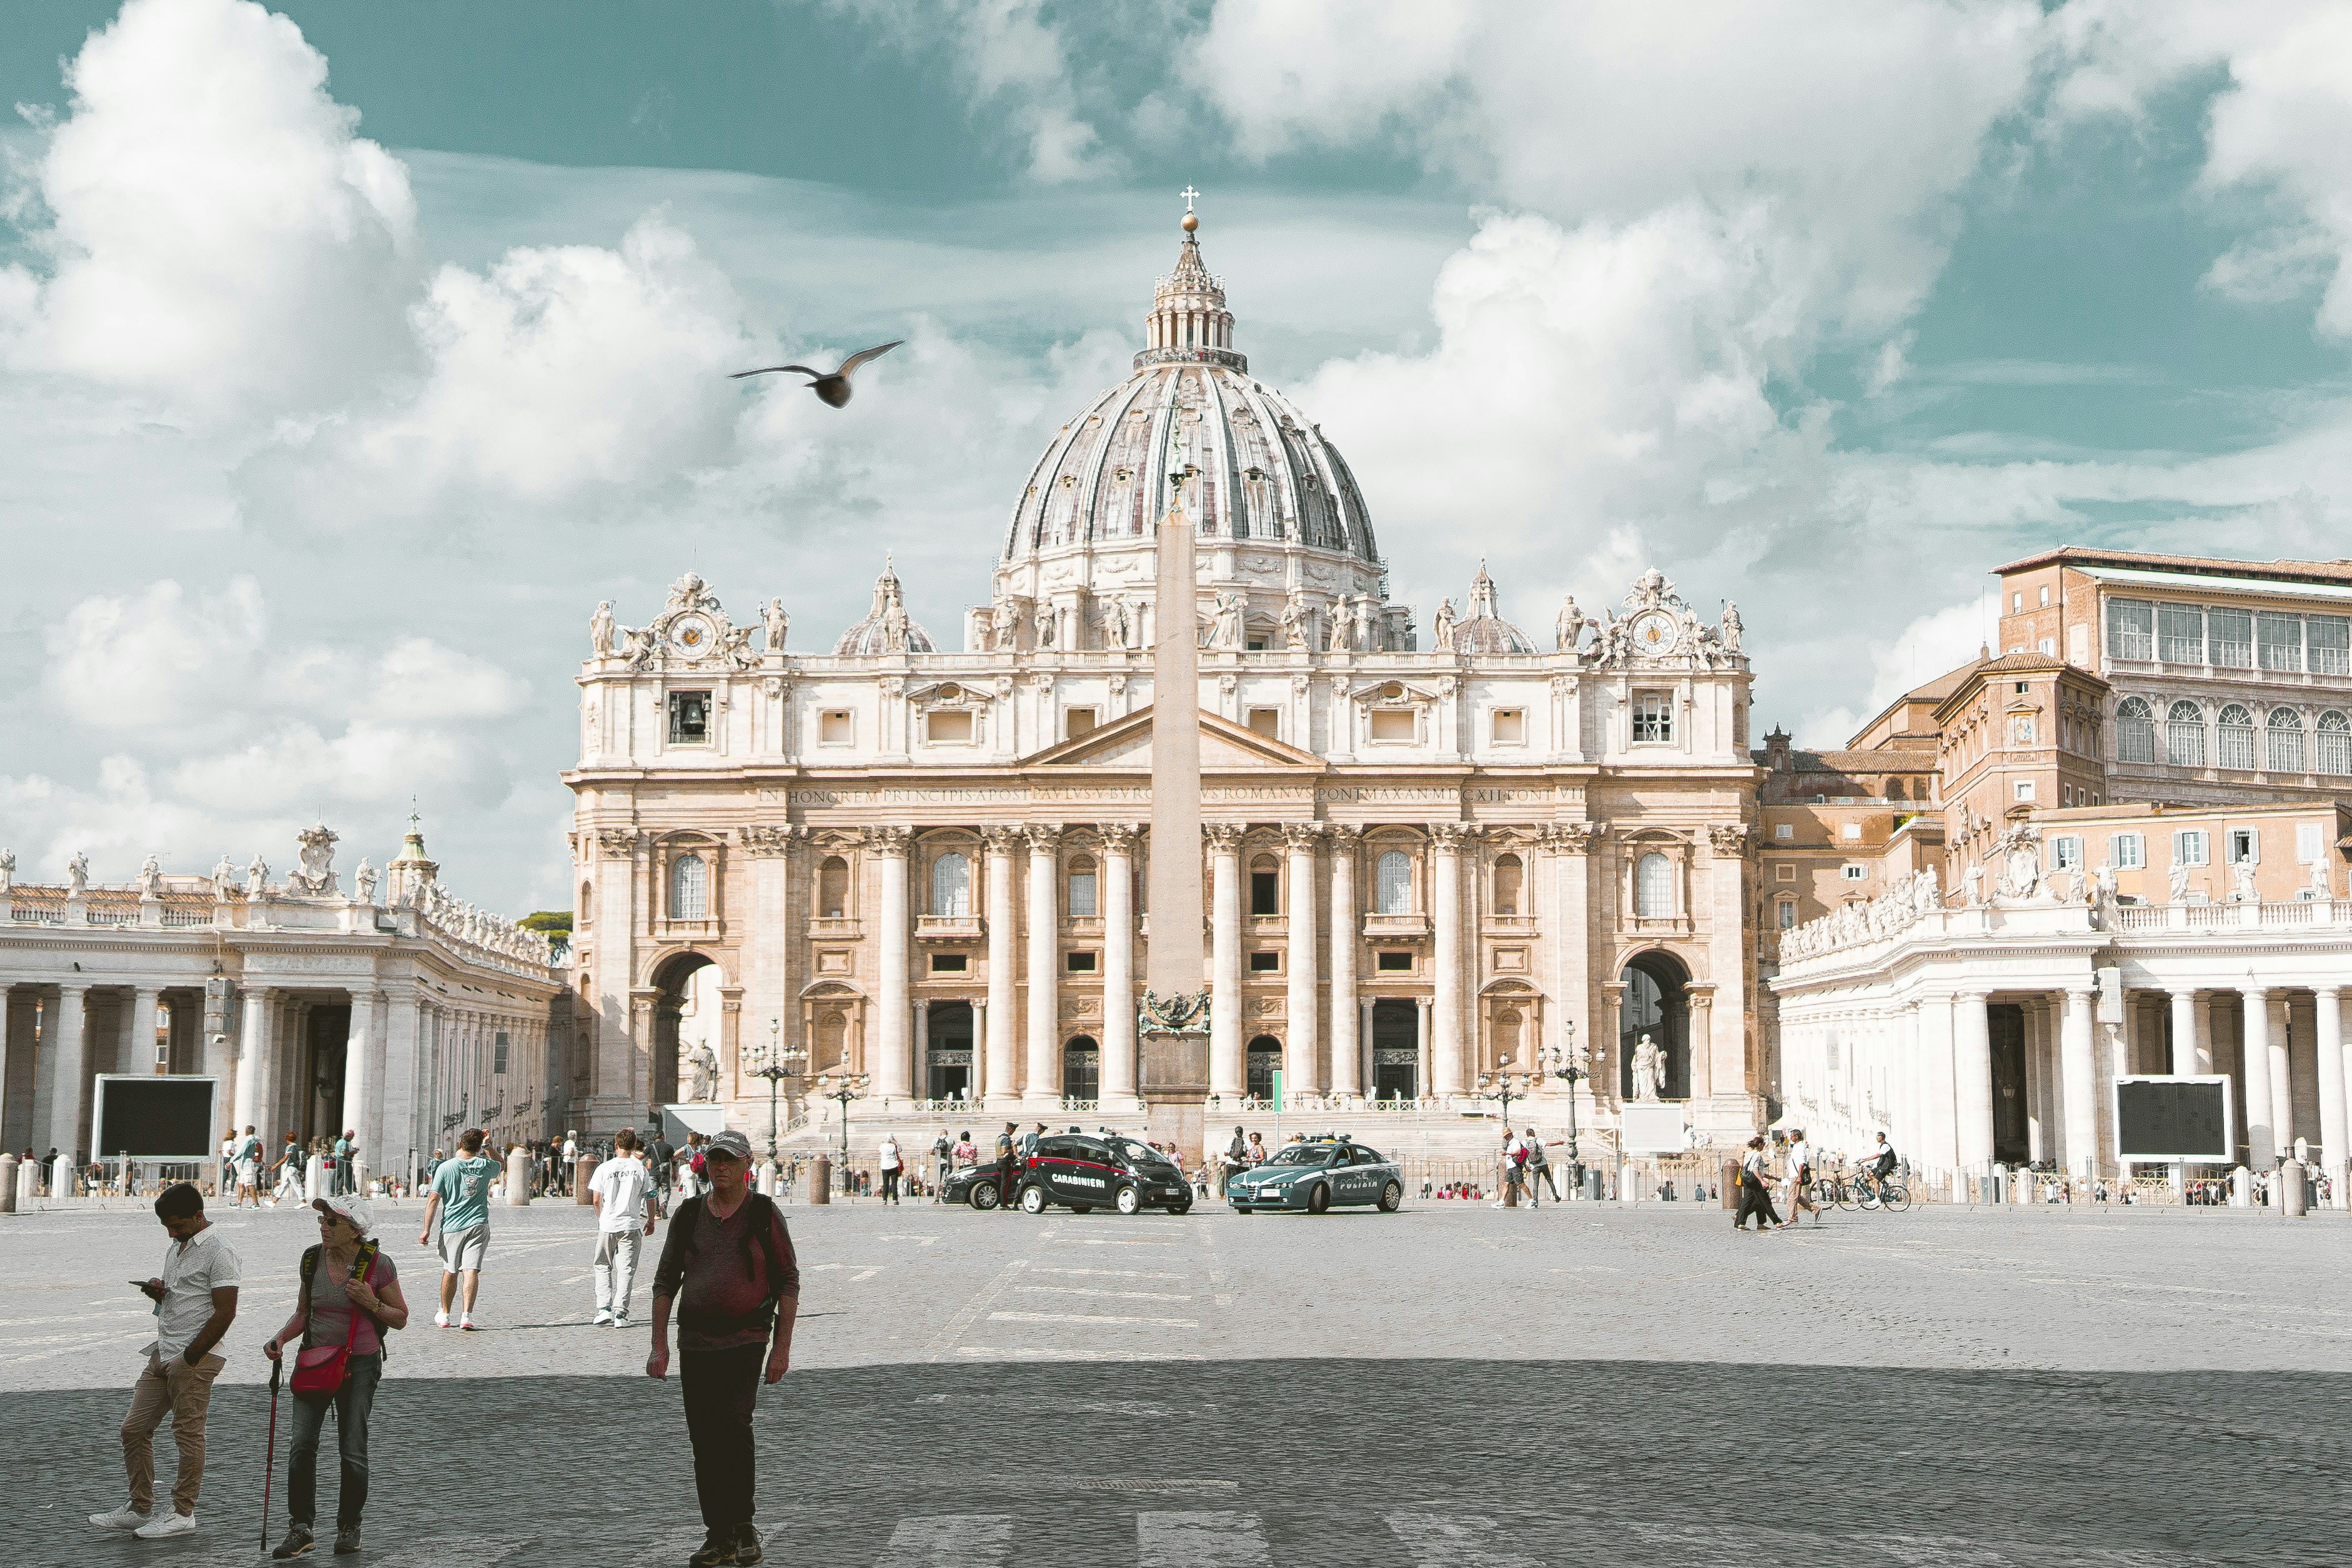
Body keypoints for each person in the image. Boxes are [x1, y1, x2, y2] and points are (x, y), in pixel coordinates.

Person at [647, 1131, 800, 1568]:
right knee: (704, 1439)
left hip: (746, 1338)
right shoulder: (689, 1214)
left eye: (729, 1160)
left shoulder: (764, 1214)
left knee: (733, 1428)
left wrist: (781, 1349)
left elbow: (787, 1280)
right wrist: (659, 1346)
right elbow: (665, 1281)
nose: (720, 1167)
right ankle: (718, 1534)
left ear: (747, 1164)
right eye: (714, 1160)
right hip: (695, 1340)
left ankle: (741, 1525)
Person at [89, 1182, 241, 1541]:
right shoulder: (177, 1247)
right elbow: (182, 1299)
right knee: (134, 1428)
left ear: (199, 1215)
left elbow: (225, 1312)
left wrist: (190, 1357)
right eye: (167, 1227)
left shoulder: (221, 1251)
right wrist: (159, 1293)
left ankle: (183, 1511)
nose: (172, 1232)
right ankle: (140, 1507)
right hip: (162, 1350)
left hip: (195, 1357)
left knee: (188, 1434)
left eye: (177, 1225)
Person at [263, 1194, 408, 1558]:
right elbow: (302, 1312)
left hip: (359, 1364)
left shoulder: (378, 1265)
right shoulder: (311, 1259)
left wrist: (371, 1302)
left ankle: (349, 1525)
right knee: (300, 1447)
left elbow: (401, 1317)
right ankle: (301, 1528)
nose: (323, 1227)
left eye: (332, 1222)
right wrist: (280, 1338)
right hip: (315, 1362)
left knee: (352, 1448)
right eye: (322, 1220)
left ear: (355, 1230)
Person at [417, 1128, 498, 1329]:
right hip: (479, 1223)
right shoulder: (485, 1164)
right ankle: (466, 1316)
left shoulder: (445, 1167)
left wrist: (426, 1229)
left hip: (452, 1226)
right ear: (479, 1147)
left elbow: (434, 1198)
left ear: (460, 1144)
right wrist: (488, 1146)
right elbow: (501, 1165)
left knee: (451, 1270)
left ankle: (445, 1314)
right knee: (471, 1270)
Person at [586, 1127, 658, 1327]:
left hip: (608, 1224)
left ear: (616, 1146)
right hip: (631, 1224)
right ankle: (620, 1314)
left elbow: (595, 1199)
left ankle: (604, 1309)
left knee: (602, 1266)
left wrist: (602, 1219)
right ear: (634, 1146)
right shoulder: (639, 1168)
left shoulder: (604, 1168)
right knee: (626, 1270)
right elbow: (651, 1196)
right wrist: (651, 1220)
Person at [1734, 1136, 1782, 1233]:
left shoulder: (1748, 1154)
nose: (1763, 1146)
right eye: (1763, 1145)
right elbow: (1755, 1170)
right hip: (1755, 1180)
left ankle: (1745, 1223)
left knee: (1751, 1202)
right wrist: (1762, 1181)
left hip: (1747, 1180)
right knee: (1765, 1201)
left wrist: (1773, 1178)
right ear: (1760, 1145)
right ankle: (1777, 1222)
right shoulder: (1758, 1155)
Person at [1784, 1128, 1820, 1226]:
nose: (1790, 1137)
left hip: (1796, 1176)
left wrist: (1799, 1176)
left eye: (1792, 1136)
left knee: (1792, 1197)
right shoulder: (1795, 1146)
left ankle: (1793, 1217)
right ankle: (1815, 1209)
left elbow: (1802, 1163)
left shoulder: (1800, 1147)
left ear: (1797, 1137)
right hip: (1793, 1175)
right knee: (1796, 1197)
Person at [1523, 1125, 1561, 1204]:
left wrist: (1525, 1165)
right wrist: (1559, 1143)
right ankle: (1556, 1196)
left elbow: (1522, 1154)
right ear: (1533, 1133)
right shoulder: (1538, 1140)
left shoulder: (1524, 1142)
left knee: (1536, 1183)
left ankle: (1535, 1200)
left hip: (1534, 1166)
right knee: (1549, 1180)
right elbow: (1549, 1145)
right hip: (1543, 1163)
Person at [271, 1133, 305, 1206]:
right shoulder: (297, 1147)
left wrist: (276, 1165)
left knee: (297, 1185)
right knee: (285, 1185)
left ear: (287, 1139)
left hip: (290, 1168)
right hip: (295, 1168)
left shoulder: (290, 1147)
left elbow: (285, 1158)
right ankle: (274, 1201)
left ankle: (303, 1201)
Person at [995, 1123, 1018, 1212]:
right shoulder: (1006, 1139)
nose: (1013, 1132)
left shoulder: (999, 1138)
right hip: (1005, 1163)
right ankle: (1003, 1204)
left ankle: (1003, 1203)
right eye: (1013, 1130)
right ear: (1011, 1130)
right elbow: (1004, 1151)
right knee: (1005, 1184)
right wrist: (1012, 1149)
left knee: (1003, 1184)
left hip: (999, 1161)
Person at [878, 1133, 902, 1205]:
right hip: (893, 1166)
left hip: (884, 1166)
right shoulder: (894, 1146)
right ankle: (894, 1199)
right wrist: (895, 1141)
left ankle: (884, 1199)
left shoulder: (882, 1146)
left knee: (886, 1183)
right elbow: (900, 1149)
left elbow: (878, 1150)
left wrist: (882, 1142)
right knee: (894, 1183)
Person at [931, 1130, 952, 1201]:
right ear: (947, 1134)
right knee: (948, 1180)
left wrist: (936, 1153)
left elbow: (931, 1151)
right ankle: (947, 1197)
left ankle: (937, 1198)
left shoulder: (936, 1139)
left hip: (939, 1162)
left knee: (937, 1180)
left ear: (940, 1134)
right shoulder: (951, 1140)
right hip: (948, 1162)